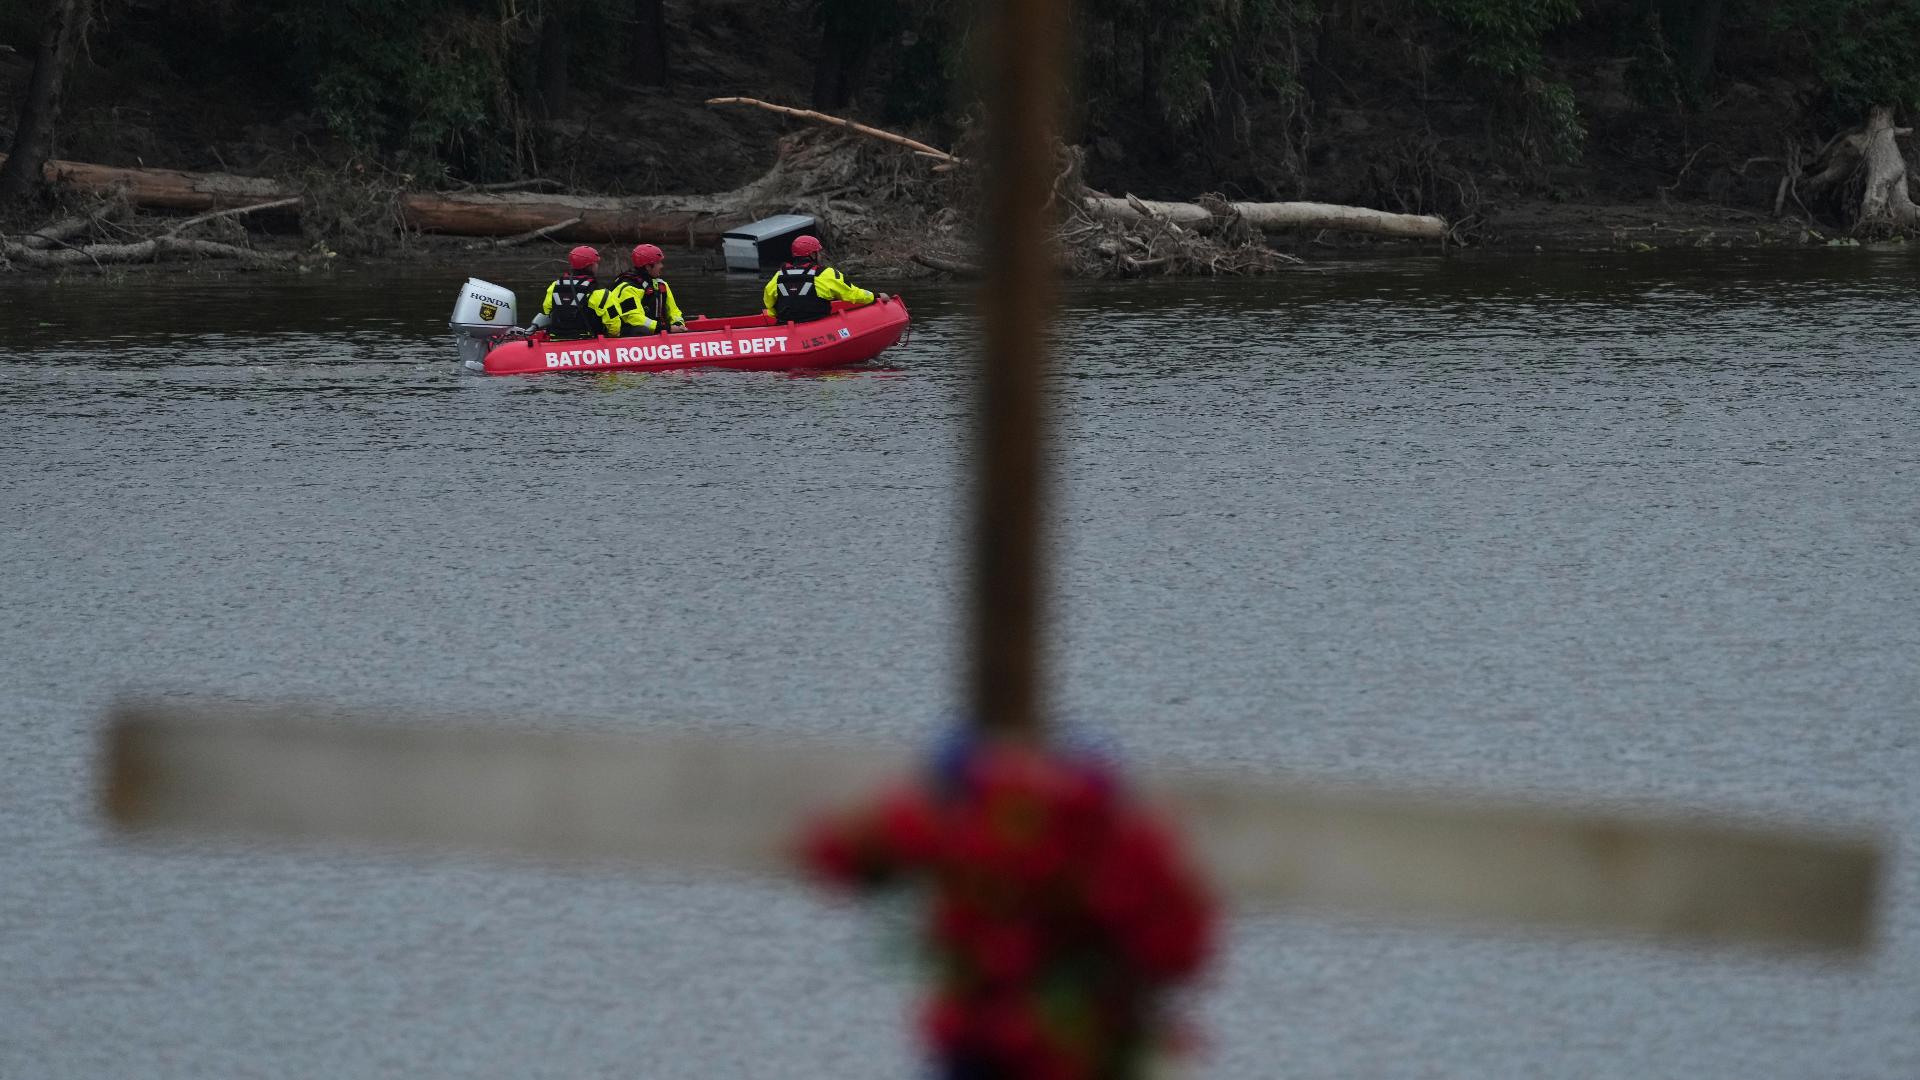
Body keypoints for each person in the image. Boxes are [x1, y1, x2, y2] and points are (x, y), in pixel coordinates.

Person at [762, 234, 889, 323]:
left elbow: (769, 302)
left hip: (786, 325)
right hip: (817, 325)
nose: (820, 255)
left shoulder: (779, 274)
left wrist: (776, 314)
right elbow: (852, 293)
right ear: (812, 254)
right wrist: (875, 296)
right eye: (818, 252)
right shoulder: (825, 273)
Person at [599, 243, 683, 337]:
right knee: (642, 330)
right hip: (633, 333)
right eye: (658, 263)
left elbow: (674, 311)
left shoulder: (662, 285)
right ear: (647, 267)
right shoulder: (628, 288)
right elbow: (634, 318)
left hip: (659, 329)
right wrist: (666, 328)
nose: (661, 266)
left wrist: (679, 325)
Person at [530, 245, 609, 340]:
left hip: (556, 340)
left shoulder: (554, 286)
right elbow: (614, 325)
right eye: (596, 263)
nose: (597, 266)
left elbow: (548, 311)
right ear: (590, 266)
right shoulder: (599, 293)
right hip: (587, 342)